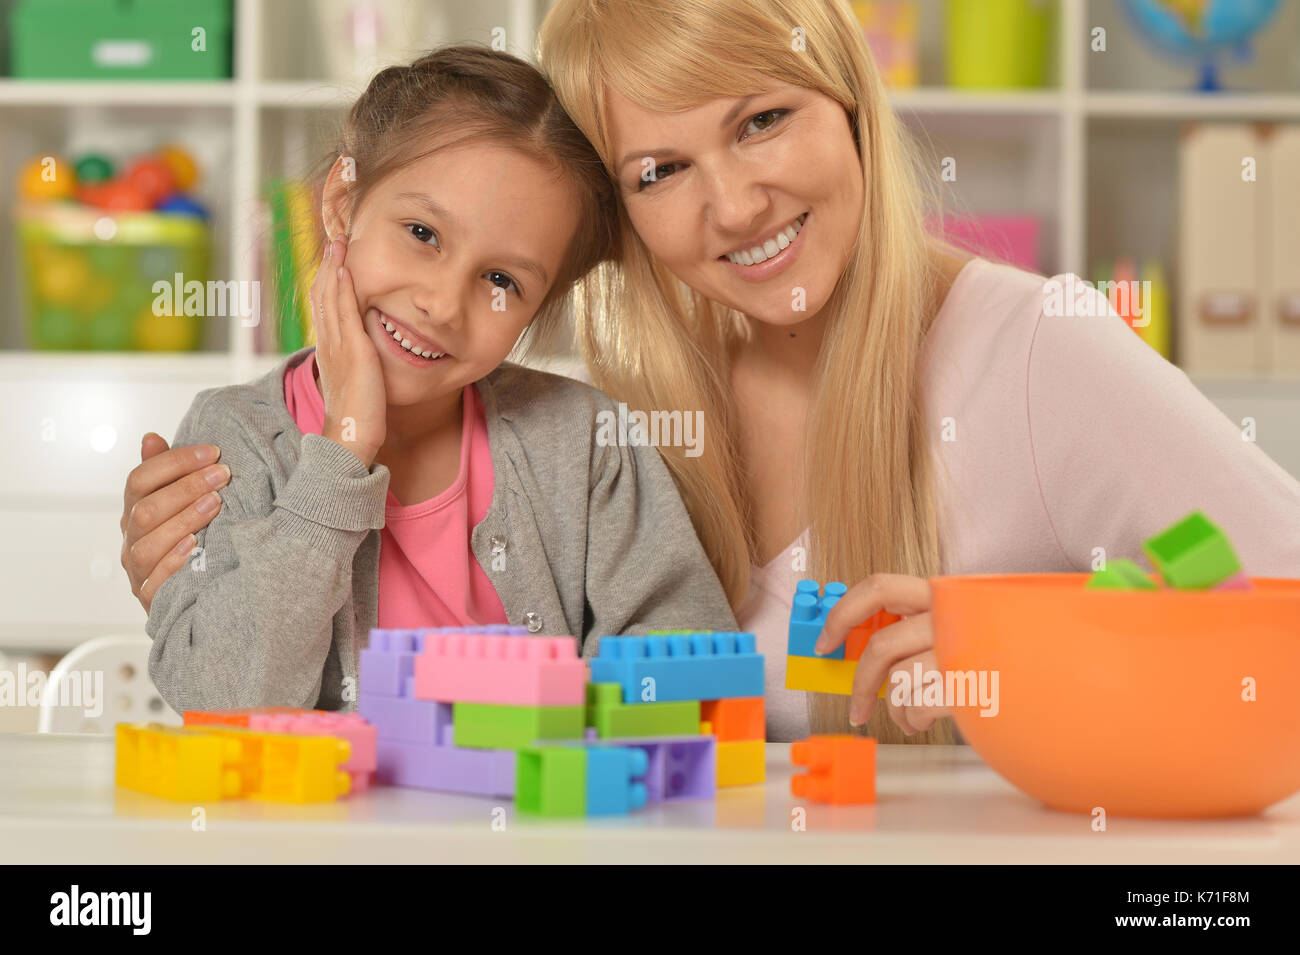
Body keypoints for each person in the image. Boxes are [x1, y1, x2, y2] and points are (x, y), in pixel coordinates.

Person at [125, 3, 1300, 743]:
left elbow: (1270, 586)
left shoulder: (1041, 349)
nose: (733, 205)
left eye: (762, 119)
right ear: (617, 224)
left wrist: (1032, 643)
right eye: (658, 169)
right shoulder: (633, 397)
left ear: (847, 99)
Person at [133, 45, 734, 713]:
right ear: (342, 202)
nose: (444, 304)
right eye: (422, 233)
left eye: (502, 280)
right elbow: (225, 703)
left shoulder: (582, 442)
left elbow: (696, 671)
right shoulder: (235, 436)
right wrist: (343, 451)